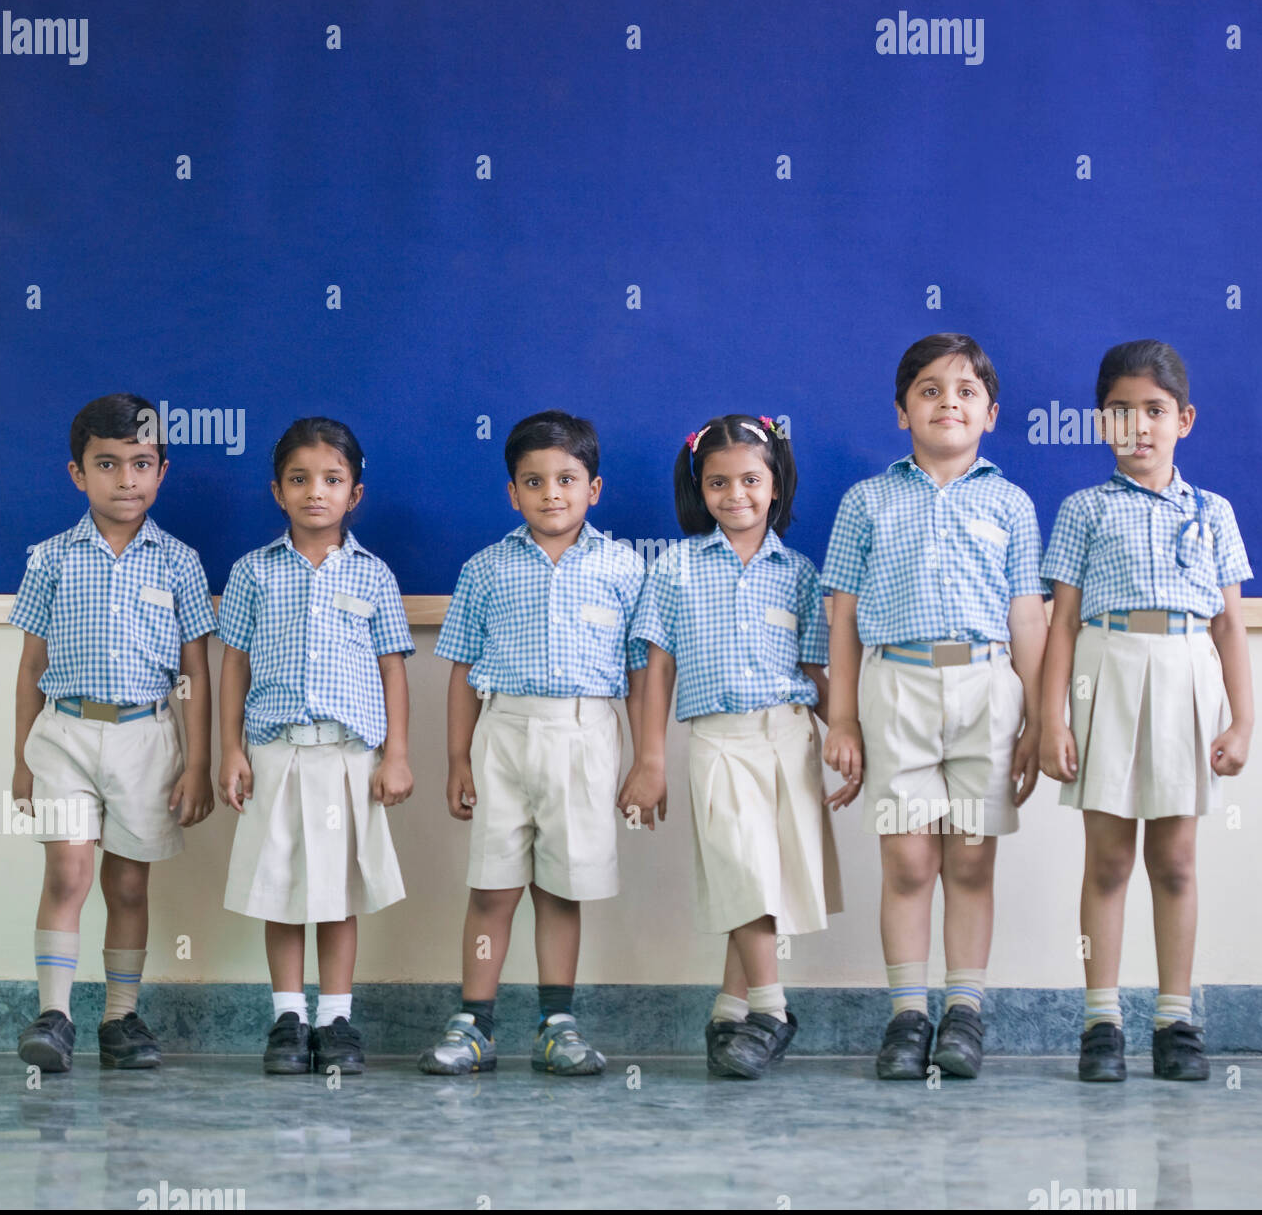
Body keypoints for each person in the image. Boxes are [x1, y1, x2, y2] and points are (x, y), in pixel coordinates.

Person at [822, 334, 1046, 1080]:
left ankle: (965, 1012)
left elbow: (1026, 618)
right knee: (909, 859)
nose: (947, 401)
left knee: (972, 859)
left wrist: (1041, 717)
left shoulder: (1010, 503)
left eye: (965, 391)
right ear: (900, 411)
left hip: (985, 685)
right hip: (898, 687)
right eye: (928, 390)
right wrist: (845, 715)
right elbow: (843, 617)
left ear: (990, 413)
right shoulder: (867, 500)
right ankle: (908, 1014)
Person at [1040, 340, 1253, 1082]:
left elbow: (1228, 625)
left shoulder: (1215, 512)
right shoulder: (1083, 511)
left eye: (1154, 410)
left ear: (1184, 420)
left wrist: (1242, 719)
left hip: (1187, 681)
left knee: (1177, 860)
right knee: (1107, 859)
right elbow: (1061, 624)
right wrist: (1054, 718)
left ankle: (1175, 1018)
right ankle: (1102, 1020)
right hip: (1109, 673)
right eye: (1121, 411)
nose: (1139, 425)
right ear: (1101, 423)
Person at [419, 410, 646, 1076]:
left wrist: (644, 759)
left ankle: (557, 1023)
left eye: (567, 479)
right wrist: (458, 758)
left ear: (593, 489)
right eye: (534, 481)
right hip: (505, 733)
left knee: (561, 887)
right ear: (512, 492)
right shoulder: (486, 569)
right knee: (492, 886)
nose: (552, 493)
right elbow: (461, 670)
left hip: (585, 733)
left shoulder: (624, 568)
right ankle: (476, 1025)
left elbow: (638, 674)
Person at [620, 414, 842, 1079]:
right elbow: (655, 669)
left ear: (776, 485)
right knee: (740, 866)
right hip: (719, 740)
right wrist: (649, 759)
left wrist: (850, 738)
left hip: (788, 737)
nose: (735, 494)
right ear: (699, 489)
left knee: (762, 880)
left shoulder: (798, 571)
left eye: (751, 479)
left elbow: (814, 672)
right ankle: (774, 1011)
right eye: (718, 482)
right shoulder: (676, 568)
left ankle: (728, 1012)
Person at [12, 393, 216, 1072]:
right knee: (68, 871)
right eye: (108, 464)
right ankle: (55, 1014)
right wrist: (21, 761)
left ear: (161, 472)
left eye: (141, 464)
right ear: (79, 474)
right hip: (65, 734)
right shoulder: (50, 558)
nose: (126, 479)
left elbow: (193, 672)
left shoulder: (180, 562)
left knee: (127, 885)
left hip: (145, 740)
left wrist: (196, 762)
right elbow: (31, 666)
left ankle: (121, 1019)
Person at [217, 418, 413, 1075]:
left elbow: (392, 668)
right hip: (275, 749)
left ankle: (335, 1020)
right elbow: (234, 665)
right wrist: (232, 749)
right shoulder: (253, 573)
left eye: (331, 480)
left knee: (337, 890)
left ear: (354, 494)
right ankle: (287, 1019)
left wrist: (397, 754)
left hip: (348, 756)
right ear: (278, 491)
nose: (315, 493)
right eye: (299, 480)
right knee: (279, 887)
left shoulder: (374, 575)